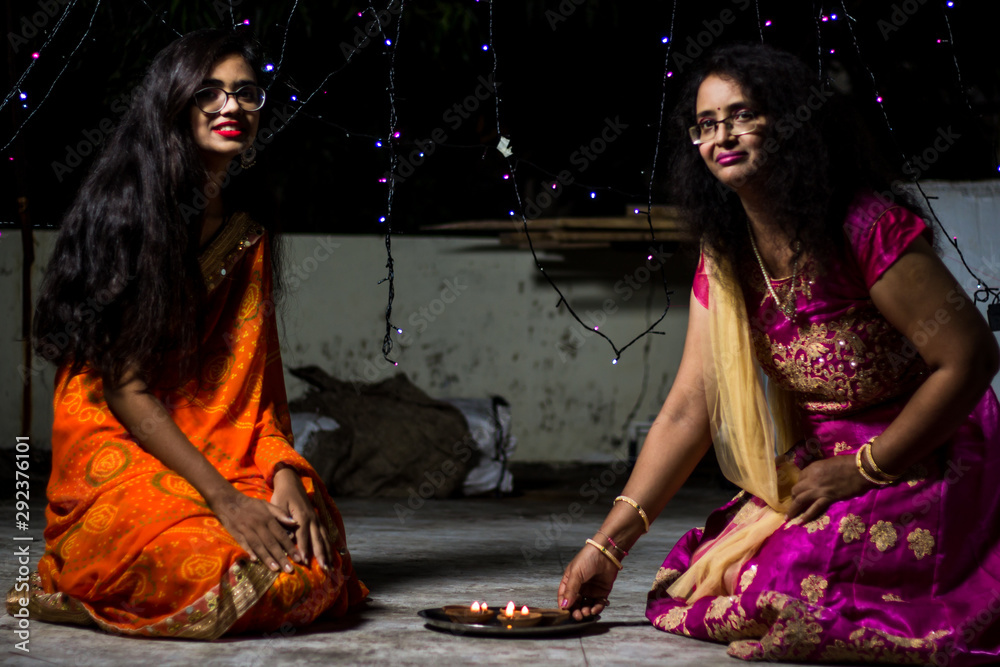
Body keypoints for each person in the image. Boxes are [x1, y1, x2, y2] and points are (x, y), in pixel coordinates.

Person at [557, 43, 1000, 664]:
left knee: (790, 591)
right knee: (712, 585)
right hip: (818, 462)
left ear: (789, 123)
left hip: (925, 446)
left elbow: (971, 359)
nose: (722, 136)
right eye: (707, 124)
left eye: (742, 115)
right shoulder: (728, 257)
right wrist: (607, 546)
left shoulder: (863, 227)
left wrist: (866, 468)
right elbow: (689, 410)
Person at [6, 28, 367, 638]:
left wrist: (283, 473)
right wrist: (224, 500)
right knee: (222, 570)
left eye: (246, 93)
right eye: (209, 92)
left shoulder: (247, 231)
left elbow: (257, 392)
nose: (231, 106)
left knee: (306, 558)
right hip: (115, 432)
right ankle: (69, 576)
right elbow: (125, 391)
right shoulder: (126, 213)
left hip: (212, 435)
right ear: (172, 104)